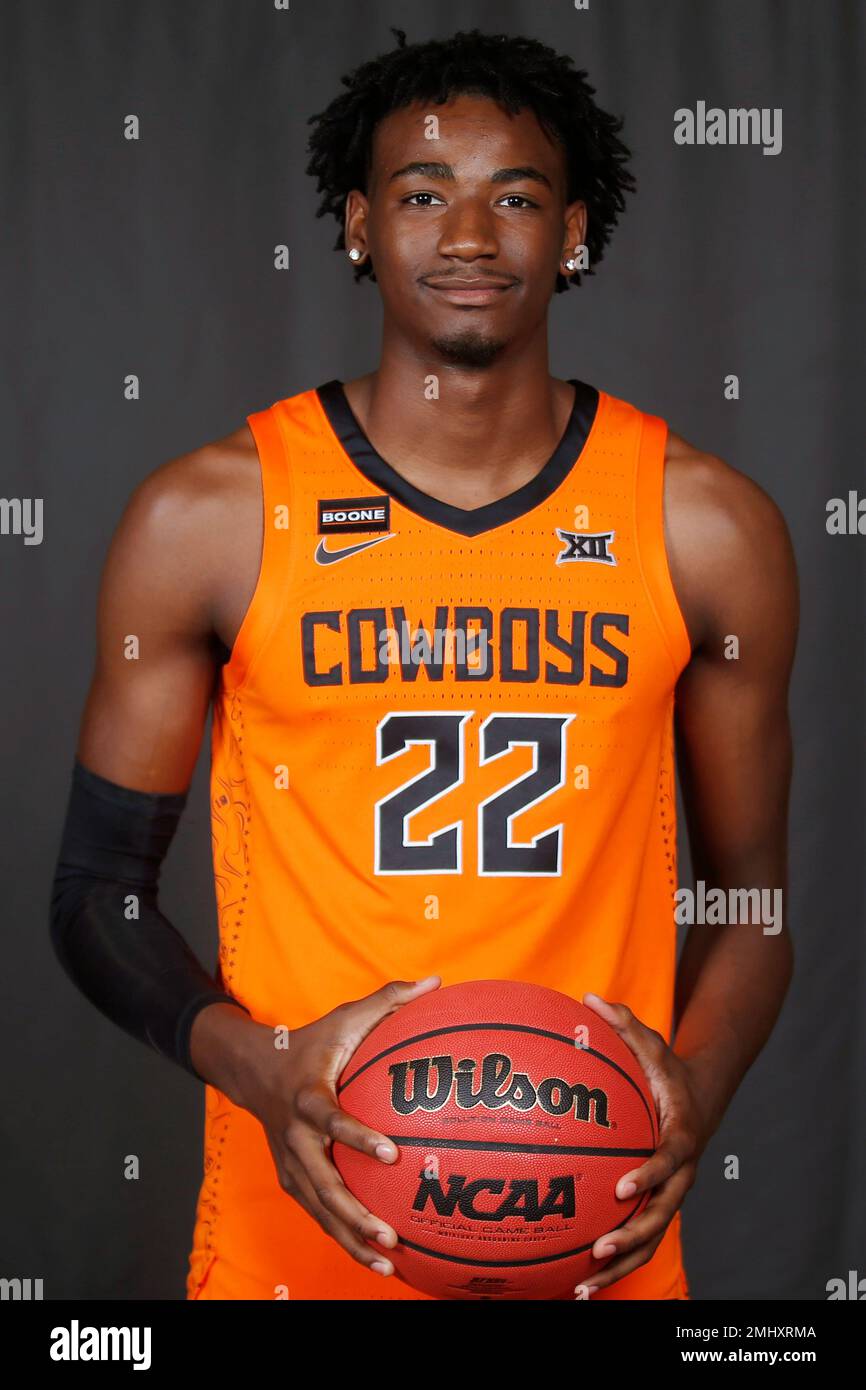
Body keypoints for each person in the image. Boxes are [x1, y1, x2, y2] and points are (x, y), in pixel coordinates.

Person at [51, 28, 797, 1301]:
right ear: (355, 225)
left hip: (592, 1234)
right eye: (420, 193)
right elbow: (95, 895)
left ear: (571, 234)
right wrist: (265, 1062)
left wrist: (692, 1093)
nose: (466, 234)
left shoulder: (702, 526)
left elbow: (752, 909)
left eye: (514, 195)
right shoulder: (213, 518)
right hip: (292, 1251)